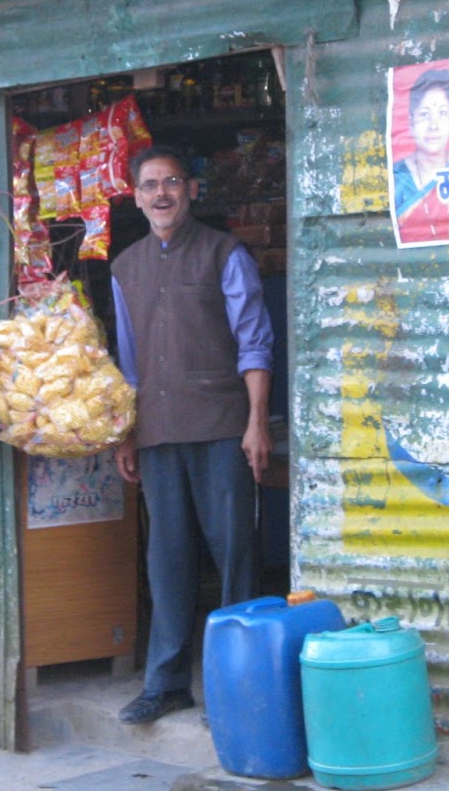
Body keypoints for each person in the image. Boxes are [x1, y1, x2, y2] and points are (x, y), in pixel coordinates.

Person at [110, 144, 275, 725]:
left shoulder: (224, 253)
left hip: (220, 428)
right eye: (150, 185)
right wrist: (125, 432)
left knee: (233, 555)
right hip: (156, 429)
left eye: (172, 182)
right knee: (168, 558)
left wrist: (257, 422)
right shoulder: (124, 267)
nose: (162, 193)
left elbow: (255, 343)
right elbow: (129, 364)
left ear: (191, 190)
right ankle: (167, 682)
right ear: (136, 197)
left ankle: (237, 688)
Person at [392, 67, 449, 241]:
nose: (434, 125)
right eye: (424, 114)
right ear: (411, 120)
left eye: (442, 113)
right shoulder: (396, 178)